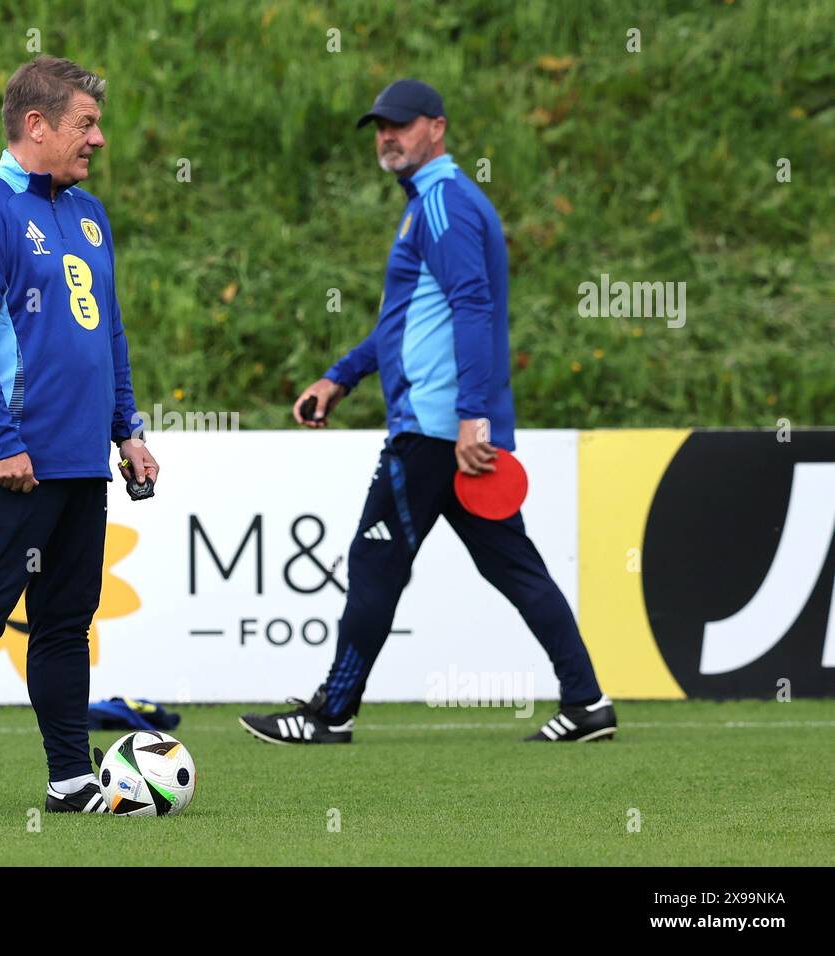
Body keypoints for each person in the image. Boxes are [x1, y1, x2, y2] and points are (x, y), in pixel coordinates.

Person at [239, 79, 616, 745]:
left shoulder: (442, 202)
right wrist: (341, 377)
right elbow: (409, 321)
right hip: (452, 430)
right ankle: (588, 704)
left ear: (436, 128)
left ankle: (331, 714)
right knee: (514, 566)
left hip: (438, 433)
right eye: (381, 127)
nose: (388, 136)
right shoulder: (434, 202)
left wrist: (472, 417)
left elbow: (473, 306)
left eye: (401, 124)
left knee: (374, 562)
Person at [0, 55, 159, 819]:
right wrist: (0, 444)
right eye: (85, 124)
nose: (98, 139)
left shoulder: (89, 215)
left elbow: (108, 333)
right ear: (36, 124)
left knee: (64, 625)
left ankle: (70, 780)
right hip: (7, 467)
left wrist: (128, 431)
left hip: (79, 466)